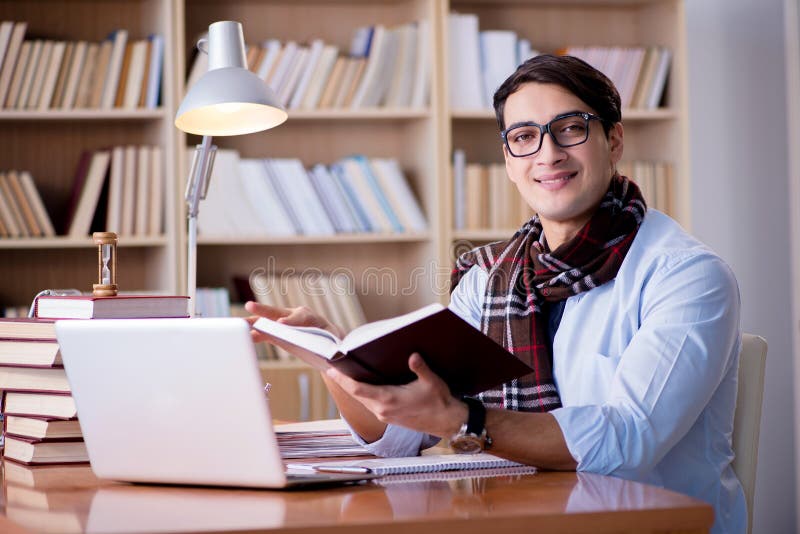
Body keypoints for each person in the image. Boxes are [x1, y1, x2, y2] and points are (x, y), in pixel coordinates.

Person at [246, 54, 744, 534]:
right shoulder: (488, 279)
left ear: (613, 141)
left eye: (570, 128)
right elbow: (398, 439)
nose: (548, 154)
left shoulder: (687, 275)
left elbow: (628, 438)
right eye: (525, 137)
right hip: (513, 515)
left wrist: (466, 419)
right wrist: (340, 363)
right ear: (509, 161)